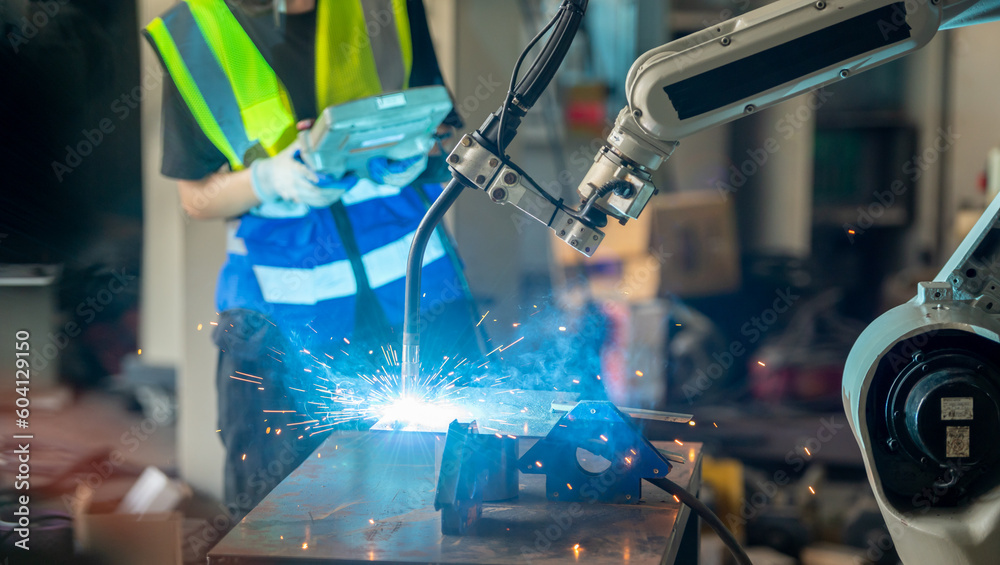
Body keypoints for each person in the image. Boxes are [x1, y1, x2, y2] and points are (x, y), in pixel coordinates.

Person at [144, 0, 482, 516]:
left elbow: (446, 134)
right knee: (276, 520)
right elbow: (195, 198)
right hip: (277, 327)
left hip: (417, 301)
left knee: (456, 499)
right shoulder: (195, 33)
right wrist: (267, 179)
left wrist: (415, 157)